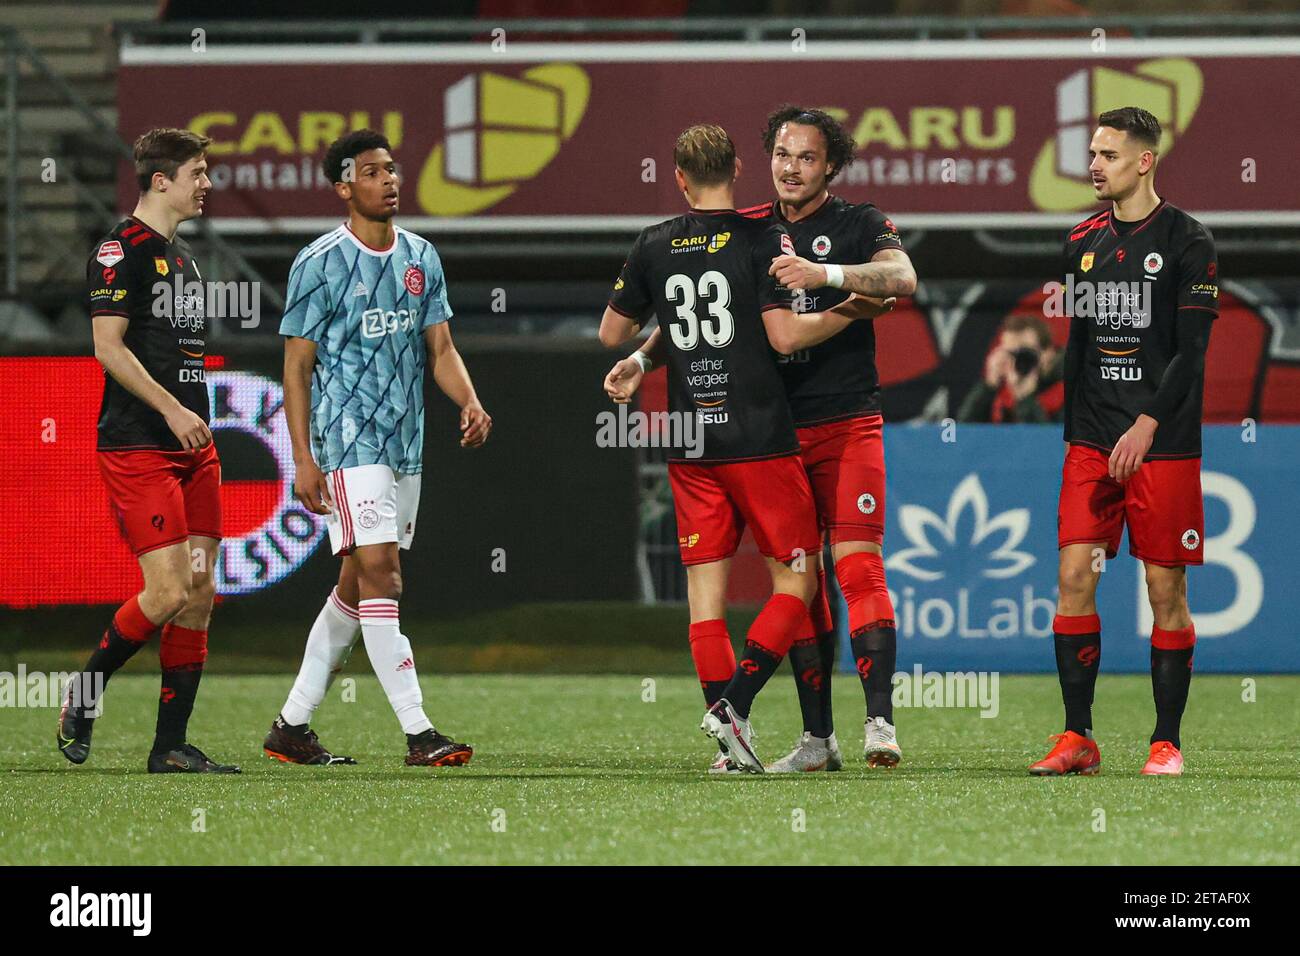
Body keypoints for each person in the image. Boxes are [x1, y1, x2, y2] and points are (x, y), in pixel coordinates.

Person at [605, 107, 915, 773]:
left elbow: (902, 278)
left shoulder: (859, 222)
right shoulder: (749, 229)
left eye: (805, 156)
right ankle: (816, 741)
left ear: (829, 165)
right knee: (801, 588)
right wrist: (644, 360)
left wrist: (826, 275)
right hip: (774, 430)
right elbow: (711, 315)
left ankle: (879, 724)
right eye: (781, 153)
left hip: (845, 418)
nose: (790, 166)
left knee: (854, 566)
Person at [265, 129, 490, 767]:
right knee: (386, 576)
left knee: (357, 587)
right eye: (372, 171)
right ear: (344, 187)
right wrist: (304, 458)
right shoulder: (318, 263)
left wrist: (468, 401)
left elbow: (439, 349)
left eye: (392, 168)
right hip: (348, 443)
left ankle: (291, 724)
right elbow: (297, 368)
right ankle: (419, 733)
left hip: (405, 445)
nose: (389, 179)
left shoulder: (421, 255)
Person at [1029, 107, 1218, 778]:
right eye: (1093, 152)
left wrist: (1147, 424)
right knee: (1074, 577)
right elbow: (1078, 346)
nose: (1093, 164)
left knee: (1165, 588)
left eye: (1108, 154)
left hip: (1161, 444)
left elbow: (1190, 356)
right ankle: (1077, 736)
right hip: (1091, 441)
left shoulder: (1189, 241)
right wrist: (1075, 432)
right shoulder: (1080, 239)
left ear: (1144, 161)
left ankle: (1165, 742)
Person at [60, 127, 238, 773]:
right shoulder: (118, 251)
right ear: (161, 179)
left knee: (199, 591)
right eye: (197, 172)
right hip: (140, 444)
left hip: (195, 448)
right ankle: (84, 692)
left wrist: (197, 412)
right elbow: (109, 348)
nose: (207, 183)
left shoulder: (184, 259)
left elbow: (178, 355)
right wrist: (171, 408)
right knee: (164, 593)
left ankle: (170, 747)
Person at [958, 313, 1064, 424]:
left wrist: (1025, 398)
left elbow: (1046, 440)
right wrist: (989, 386)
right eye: (1010, 353)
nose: (1016, 361)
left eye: (1025, 353)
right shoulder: (999, 394)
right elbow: (965, 434)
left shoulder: (1070, 394)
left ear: (1048, 353)